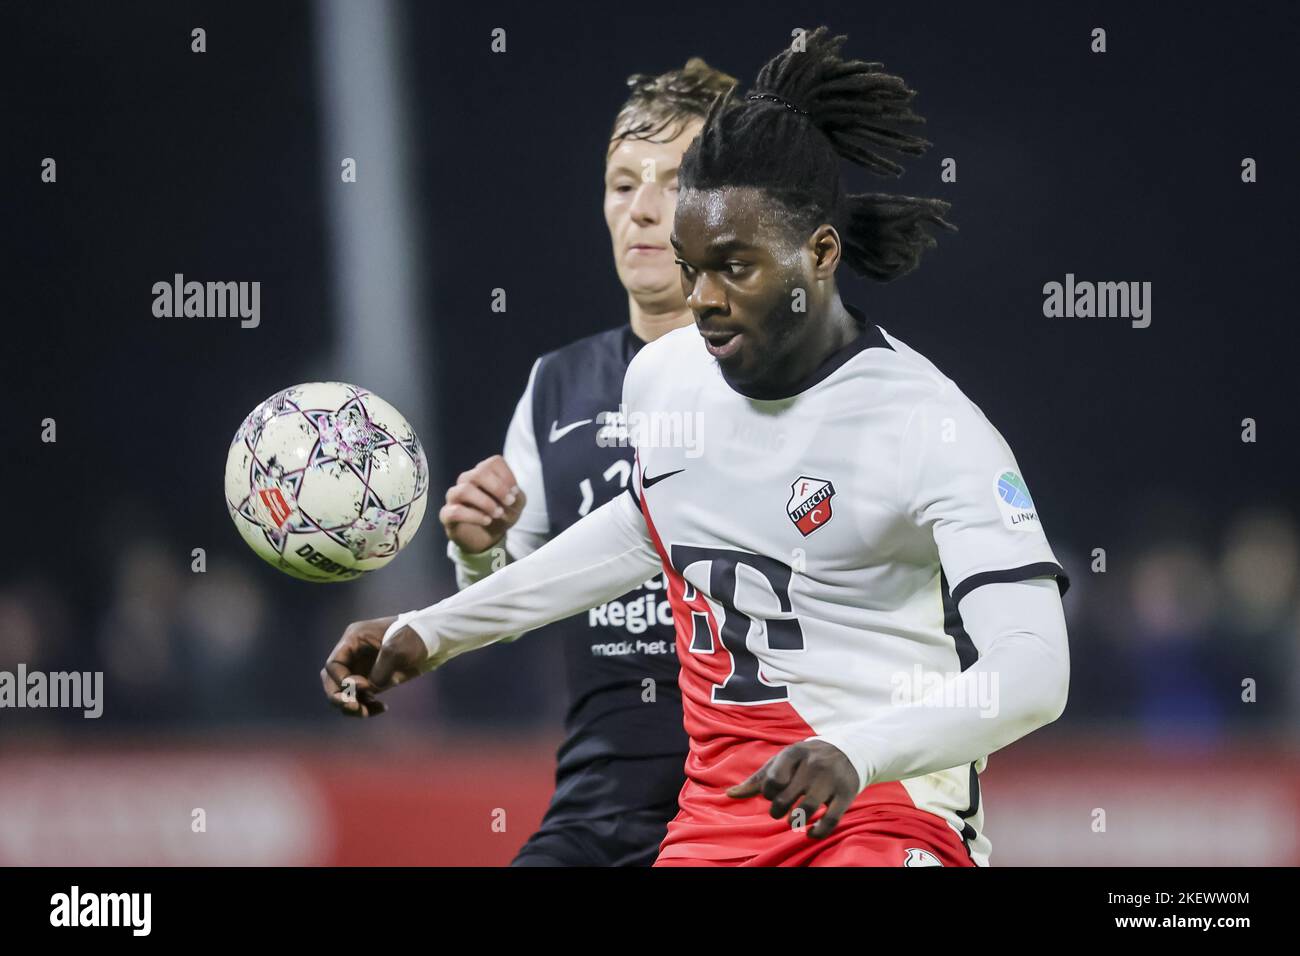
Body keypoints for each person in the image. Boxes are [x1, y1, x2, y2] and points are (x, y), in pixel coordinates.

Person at [324, 26, 1070, 867]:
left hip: (885, 815)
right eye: (691, 269)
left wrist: (860, 753)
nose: (704, 300)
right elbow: (646, 528)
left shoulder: (929, 426)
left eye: (735, 268)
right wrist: (430, 631)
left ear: (819, 255)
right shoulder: (668, 380)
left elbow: (1036, 671)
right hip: (716, 828)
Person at [325, 58, 736, 867]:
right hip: (600, 812)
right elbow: (505, 609)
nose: (644, 211)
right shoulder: (558, 383)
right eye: (622, 185)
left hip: (752, 809)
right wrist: (478, 547)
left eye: (675, 182)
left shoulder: (782, 385)